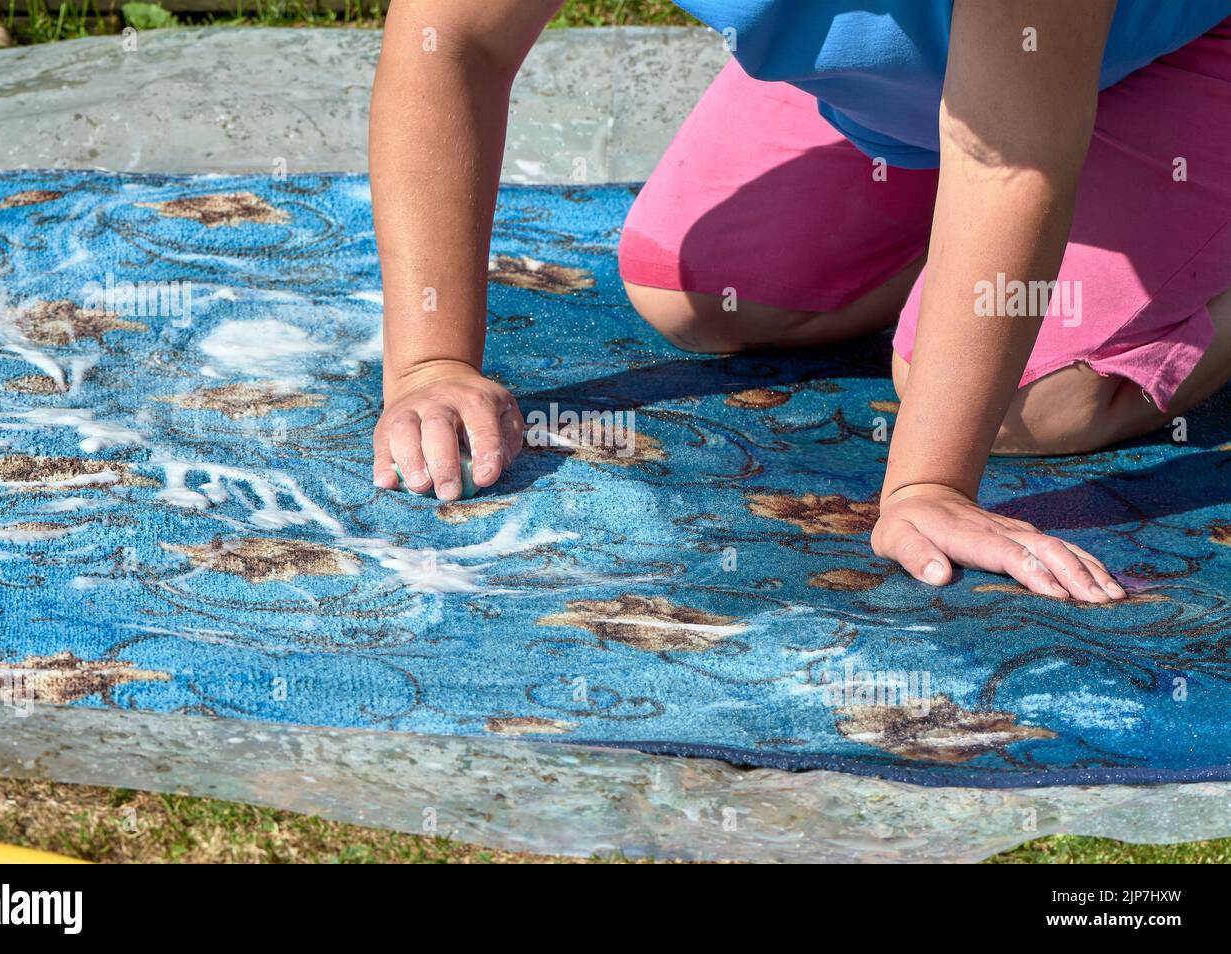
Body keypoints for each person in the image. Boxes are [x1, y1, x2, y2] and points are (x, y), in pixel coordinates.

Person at [368, 0, 1231, 602]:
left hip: (1176, 50)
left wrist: (929, 482)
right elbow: (453, 40)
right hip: (946, 74)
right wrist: (430, 361)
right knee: (698, 292)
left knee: (1033, 401)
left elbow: (1011, 158)